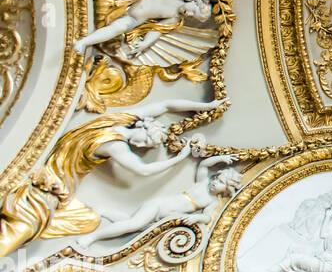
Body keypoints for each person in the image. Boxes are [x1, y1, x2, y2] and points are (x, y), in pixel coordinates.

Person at [0, 97, 225, 257]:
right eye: (147, 142)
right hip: (48, 188)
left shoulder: (117, 121)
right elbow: (143, 170)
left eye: (148, 146)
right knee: (25, 229)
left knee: (90, 220)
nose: (143, 146)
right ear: (143, 127)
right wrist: (178, 159)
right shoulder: (115, 145)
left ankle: (112, 223)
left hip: (52, 182)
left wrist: (205, 106)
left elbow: (166, 105)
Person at [77, 153, 242, 251]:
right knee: (133, 224)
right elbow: (204, 164)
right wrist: (221, 158)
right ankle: (91, 238)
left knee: (134, 226)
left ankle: (103, 212)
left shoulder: (211, 201)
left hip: (164, 215)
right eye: (218, 178)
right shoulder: (201, 183)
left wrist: (196, 218)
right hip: (160, 206)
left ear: (226, 190)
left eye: (221, 183)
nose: (215, 183)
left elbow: (207, 217)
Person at [75, 0, 222, 57]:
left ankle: (84, 42)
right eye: (192, 11)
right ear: (195, 1)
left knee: (119, 28)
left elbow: (155, 31)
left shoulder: (173, 18)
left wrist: (145, 43)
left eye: (192, 16)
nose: (189, 14)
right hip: (132, 0)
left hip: (133, 18)